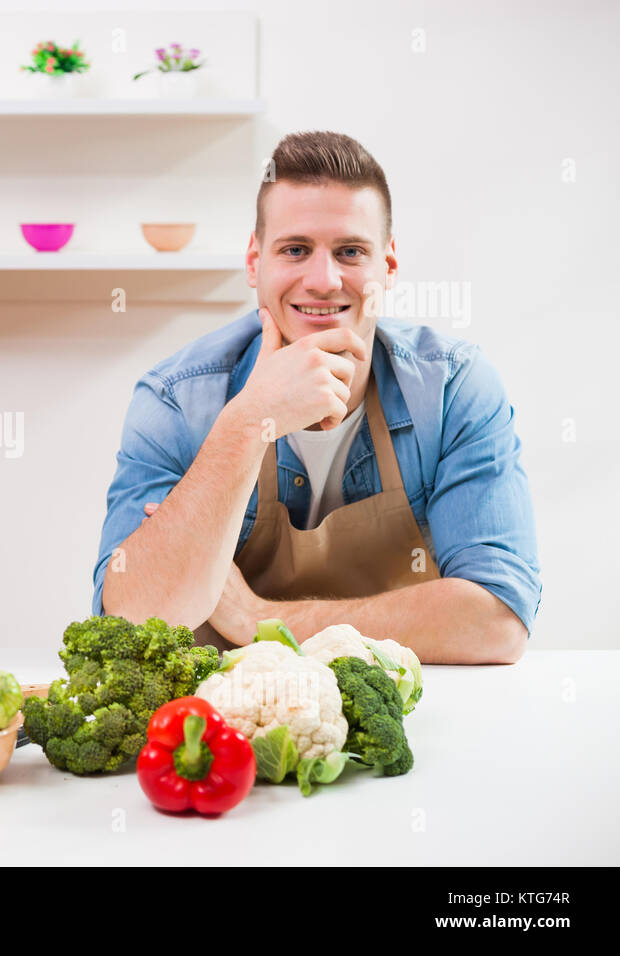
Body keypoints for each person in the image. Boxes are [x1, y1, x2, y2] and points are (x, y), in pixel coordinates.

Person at [94, 131, 540, 665]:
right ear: (255, 263)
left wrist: (262, 620)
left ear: (387, 267)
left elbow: (497, 621)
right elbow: (128, 623)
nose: (323, 280)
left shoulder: (452, 388)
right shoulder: (176, 400)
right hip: (234, 728)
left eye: (350, 251)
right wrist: (249, 421)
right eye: (295, 250)